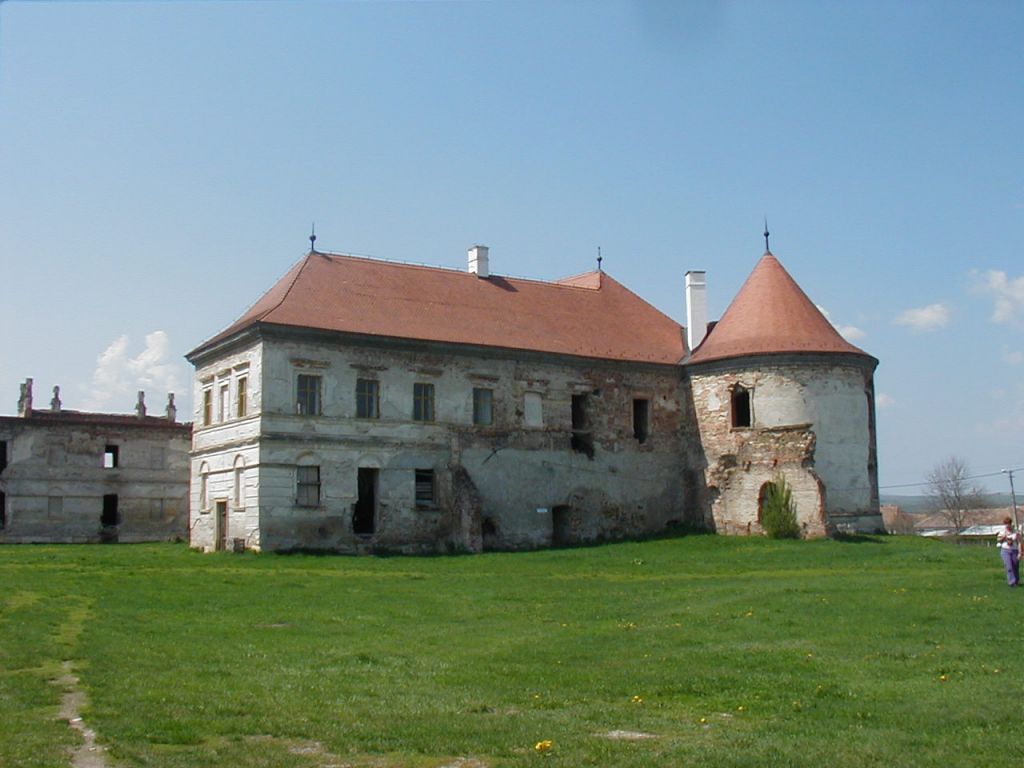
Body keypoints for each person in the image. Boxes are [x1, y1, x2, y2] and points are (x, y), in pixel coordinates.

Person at [996, 517, 1020, 587]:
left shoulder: (1015, 531)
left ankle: (1016, 581)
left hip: (1014, 550)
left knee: (1015, 566)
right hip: (1005, 550)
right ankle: (1011, 582)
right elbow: (999, 540)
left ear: (1010, 523)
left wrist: (1020, 552)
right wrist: (1004, 537)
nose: (1007, 525)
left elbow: (1019, 542)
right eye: (1006, 524)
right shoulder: (1002, 531)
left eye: (1008, 523)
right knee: (1009, 566)